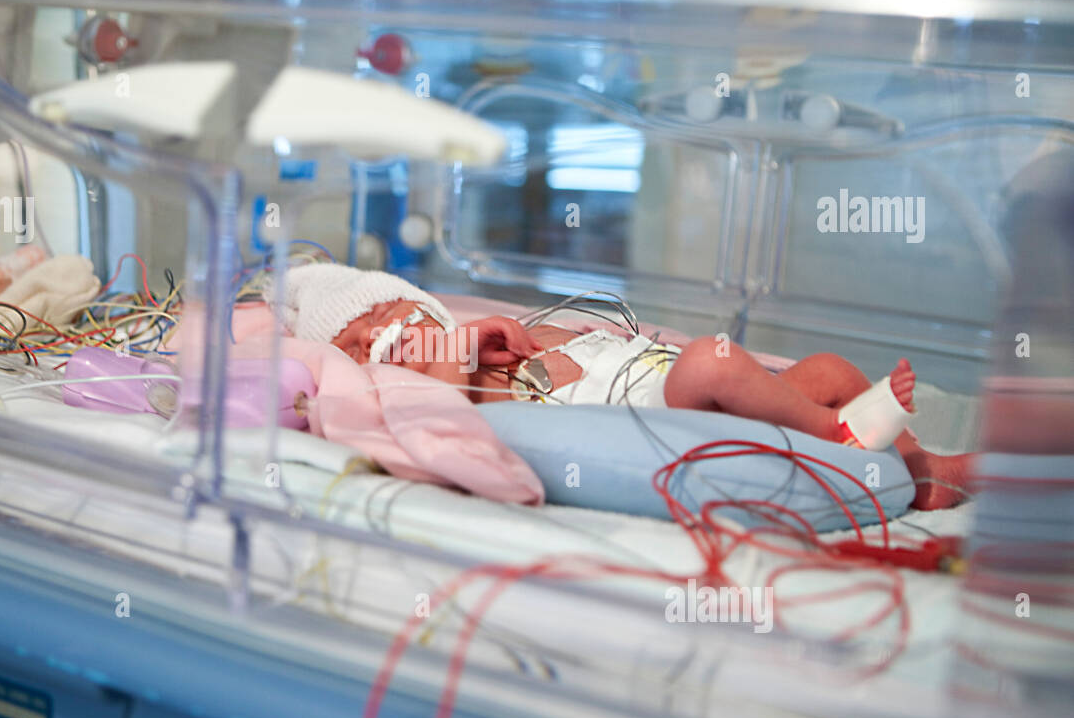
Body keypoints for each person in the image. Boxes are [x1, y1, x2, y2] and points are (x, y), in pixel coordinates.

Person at [267, 263, 972, 509]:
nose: (378, 338)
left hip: (668, 375)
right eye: (356, 346)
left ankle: (923, 464)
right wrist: (452, 346)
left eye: (387, 314)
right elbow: (442, 418)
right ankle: (831, 435)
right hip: (668, 406)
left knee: (829, 372)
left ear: (423, 303)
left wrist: (506, 333)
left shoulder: (497, 330)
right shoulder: (430, 379)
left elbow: (615, 339)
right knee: (712, 362)